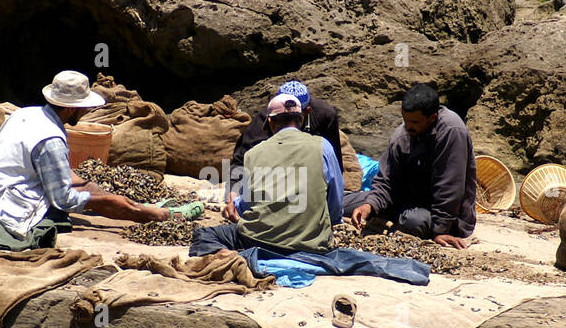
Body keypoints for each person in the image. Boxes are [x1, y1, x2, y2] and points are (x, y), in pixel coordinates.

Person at [0, 70, 169, 250]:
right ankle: (151, 213)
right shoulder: (51, 140)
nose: (86, 112)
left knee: (87, 187)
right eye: (84, 108)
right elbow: (63, 200)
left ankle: (141, 206)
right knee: (78, 204)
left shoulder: (24, 113)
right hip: (7, 210)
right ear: (71, 109)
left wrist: (94, 190)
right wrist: (106, 201)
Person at [192, 93, 343, 255]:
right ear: (302, 118)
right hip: (312, 244)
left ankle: (235, 257)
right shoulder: (323, 147)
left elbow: (247, 205)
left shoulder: (253, 153)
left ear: (270, 120)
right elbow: (336, 201)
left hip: (259, 241)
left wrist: (233, 206)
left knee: (204, 235)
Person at [344, 83, 477, 249]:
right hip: (404, 201)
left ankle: (395, 221)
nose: (408, 126)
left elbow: (450, 187)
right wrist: (369, 206)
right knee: (344, 203)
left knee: (413, 221)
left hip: (443, 215)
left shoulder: (452, 130)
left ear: (432, 118)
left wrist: (441, 230)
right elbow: (386, 180)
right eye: (405, 120)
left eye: (414, 122)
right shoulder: (402, 134)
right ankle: (379, 214)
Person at [228, 80, 341, 214]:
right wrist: (232, 197)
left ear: (306, 111)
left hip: (312, 184)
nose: (287, 121)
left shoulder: (325, 117)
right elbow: (240, 161)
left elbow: (335, 168)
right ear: (271, 119)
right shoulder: (266, 119)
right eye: (282, 118)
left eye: (294, 117)